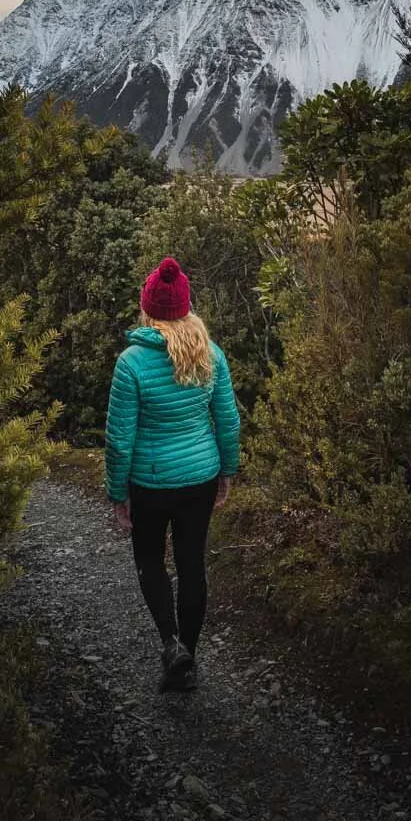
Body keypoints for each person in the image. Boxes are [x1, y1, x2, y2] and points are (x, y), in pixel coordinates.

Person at [104, 257, 240, 692]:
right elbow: (228, 420)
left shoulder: (131, 363)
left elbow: (119, 439)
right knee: (191, 563)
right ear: (186, 306)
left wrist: (117, 491)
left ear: (147, 307)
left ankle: (170, 645)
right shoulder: (210, 354)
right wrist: (227, 471)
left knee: (149, 558)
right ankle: (190, 657)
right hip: (199, 477)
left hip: (149, 483)